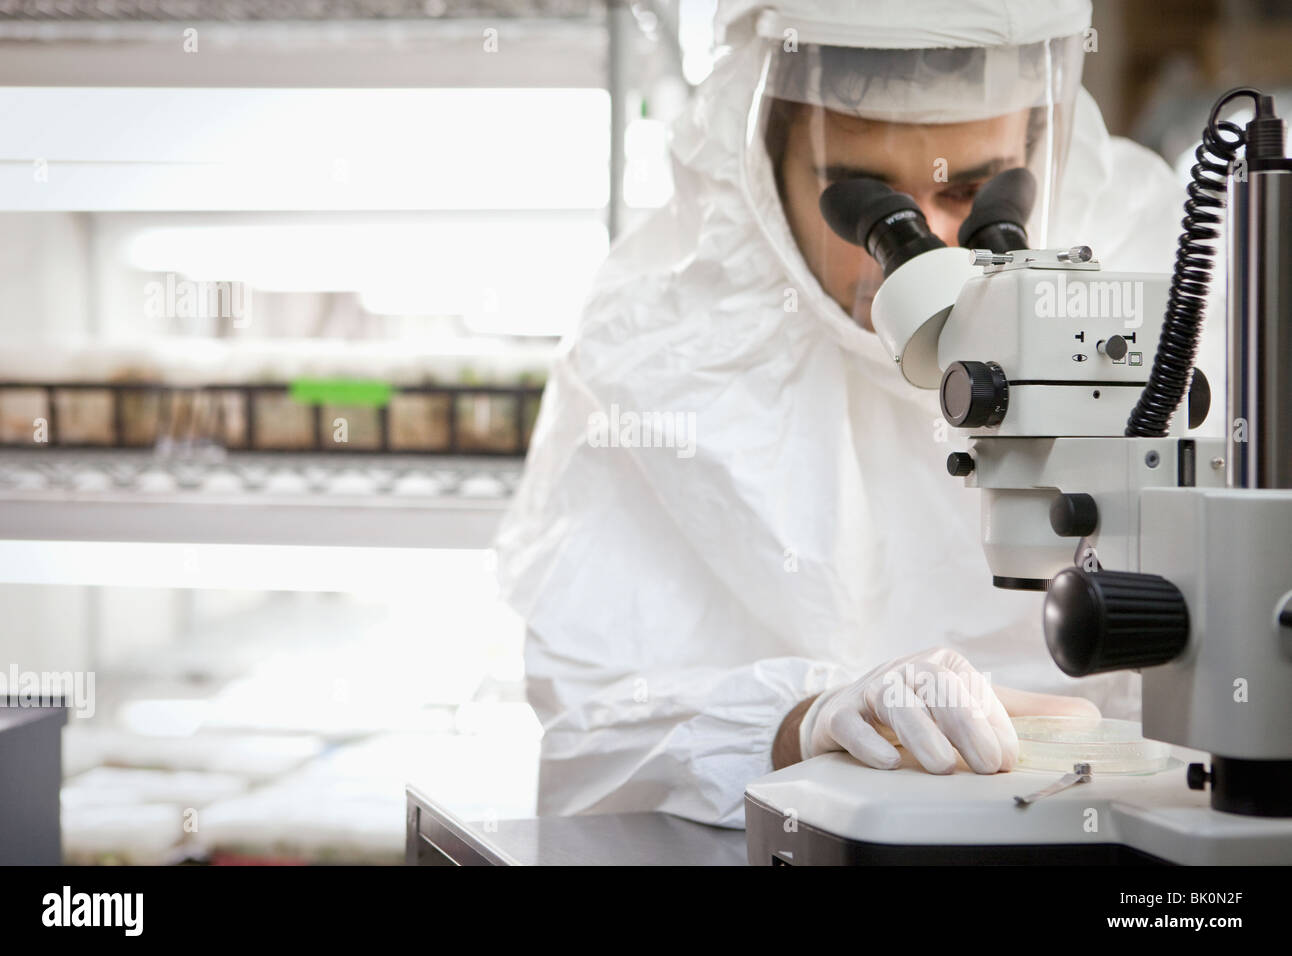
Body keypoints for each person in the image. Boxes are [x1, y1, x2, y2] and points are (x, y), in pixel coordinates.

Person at [495, 0, 1225, 827]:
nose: (936, 251)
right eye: (872, 208)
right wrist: (801, 723)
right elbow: (598, 736)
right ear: (767, 151)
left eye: (976, 192)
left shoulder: (1161, 265)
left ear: (1040, 147)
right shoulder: (657, 346)